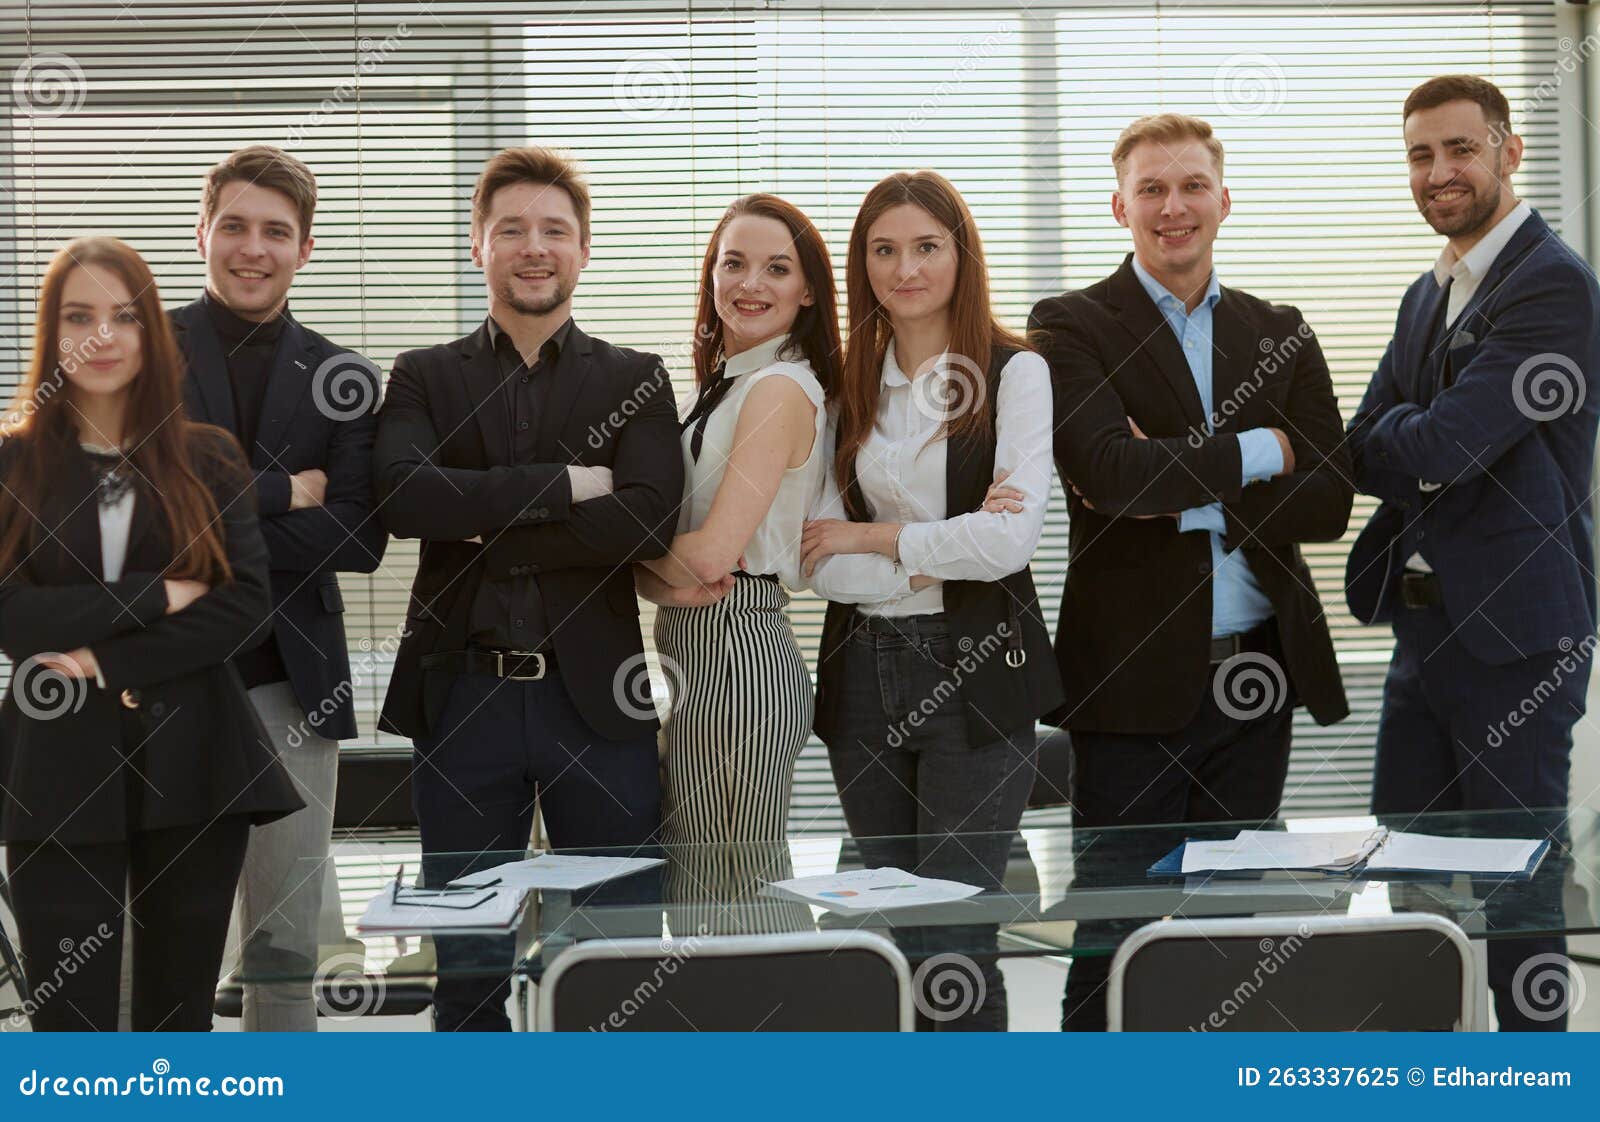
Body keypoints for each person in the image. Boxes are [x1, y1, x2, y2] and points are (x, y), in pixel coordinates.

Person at [1030, 113, 1352, 1031]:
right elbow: (1107, 473)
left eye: (1192, 187)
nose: (1174, 208)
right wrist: (1262, 448)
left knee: (1232, 935)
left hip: (1259, 673)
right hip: (1131, 681)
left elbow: (1330, 499)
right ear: (1121, 205)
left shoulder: (1279, 330)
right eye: (1153, 190)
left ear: (1223, 199)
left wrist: (1177, 482)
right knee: (1116, 932)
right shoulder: (1072, 324)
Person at [373, 147, 683, 1031]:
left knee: (613, 962)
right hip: (461, 698)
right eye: (512, 229)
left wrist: (482, 525)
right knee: (468, 972)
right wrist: (566, 488)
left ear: (584, 251)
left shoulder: (636, 379)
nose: (534, 247)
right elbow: (403, 497)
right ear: (480, 245)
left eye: (555, 231)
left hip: (598, 705)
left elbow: (649, 522)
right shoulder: (425, 375)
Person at [1346, 75, 1600, 1031]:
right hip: (1424, 635)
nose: (1440, 172)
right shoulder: (1431, 289)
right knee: (1409, 885)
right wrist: (1417, 434)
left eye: (1459, 149)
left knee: (1518, 890)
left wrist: (1417, 435)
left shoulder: (1555, 287)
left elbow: (1440, 446)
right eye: (1421, 155)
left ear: (1508, 151)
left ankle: (1536, 1087)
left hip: (1517, 646)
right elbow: (1367, 438)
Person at [0, 237, 303, 1031]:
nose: (101, 337)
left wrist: (100, 657)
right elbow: (10, 616)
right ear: (51, 334)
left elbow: (242, 610)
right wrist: (156, 593)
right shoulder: (12, 463)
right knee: (71, 1027)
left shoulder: (207, 459)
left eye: (123, 316)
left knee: (180, 1020)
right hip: (55, 769)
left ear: (151, 334)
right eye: (78, 317)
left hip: (196, 765)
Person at [803, 170, 1063, 1031]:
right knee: (885, 929)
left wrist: (876, 539)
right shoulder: (843, 382)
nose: (903, 268)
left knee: (954, 936)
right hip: (862, 675)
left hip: (979, 672)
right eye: (883, 249)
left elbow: (1008, 546)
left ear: (961, 255)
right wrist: (936, 553)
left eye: (925, 247)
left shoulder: (1016, 372)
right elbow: (815, 558)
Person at [176, 144, 386, 1031]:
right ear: (202, 233)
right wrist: (277, 491)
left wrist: (207, 513)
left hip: (288, 684)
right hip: (161, 681)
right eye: (234, 226)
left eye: (276, 231)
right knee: (162, 937)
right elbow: (132, 511)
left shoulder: (344, 378)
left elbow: (361, 536)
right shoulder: (140, 354)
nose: (251, 248)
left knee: (285, 950)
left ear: (306, 247)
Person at [634, 195, 835, 926]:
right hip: (701, 645)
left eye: (777, 268)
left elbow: (715, 553)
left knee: (737, 880)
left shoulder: (779, 389)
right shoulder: (734, 381)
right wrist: (651, 572)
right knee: (701, 872)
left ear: (807, 289)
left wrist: (623, 564)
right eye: (734, 263)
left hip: (736, 645)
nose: (750, 283)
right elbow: (679, 558)